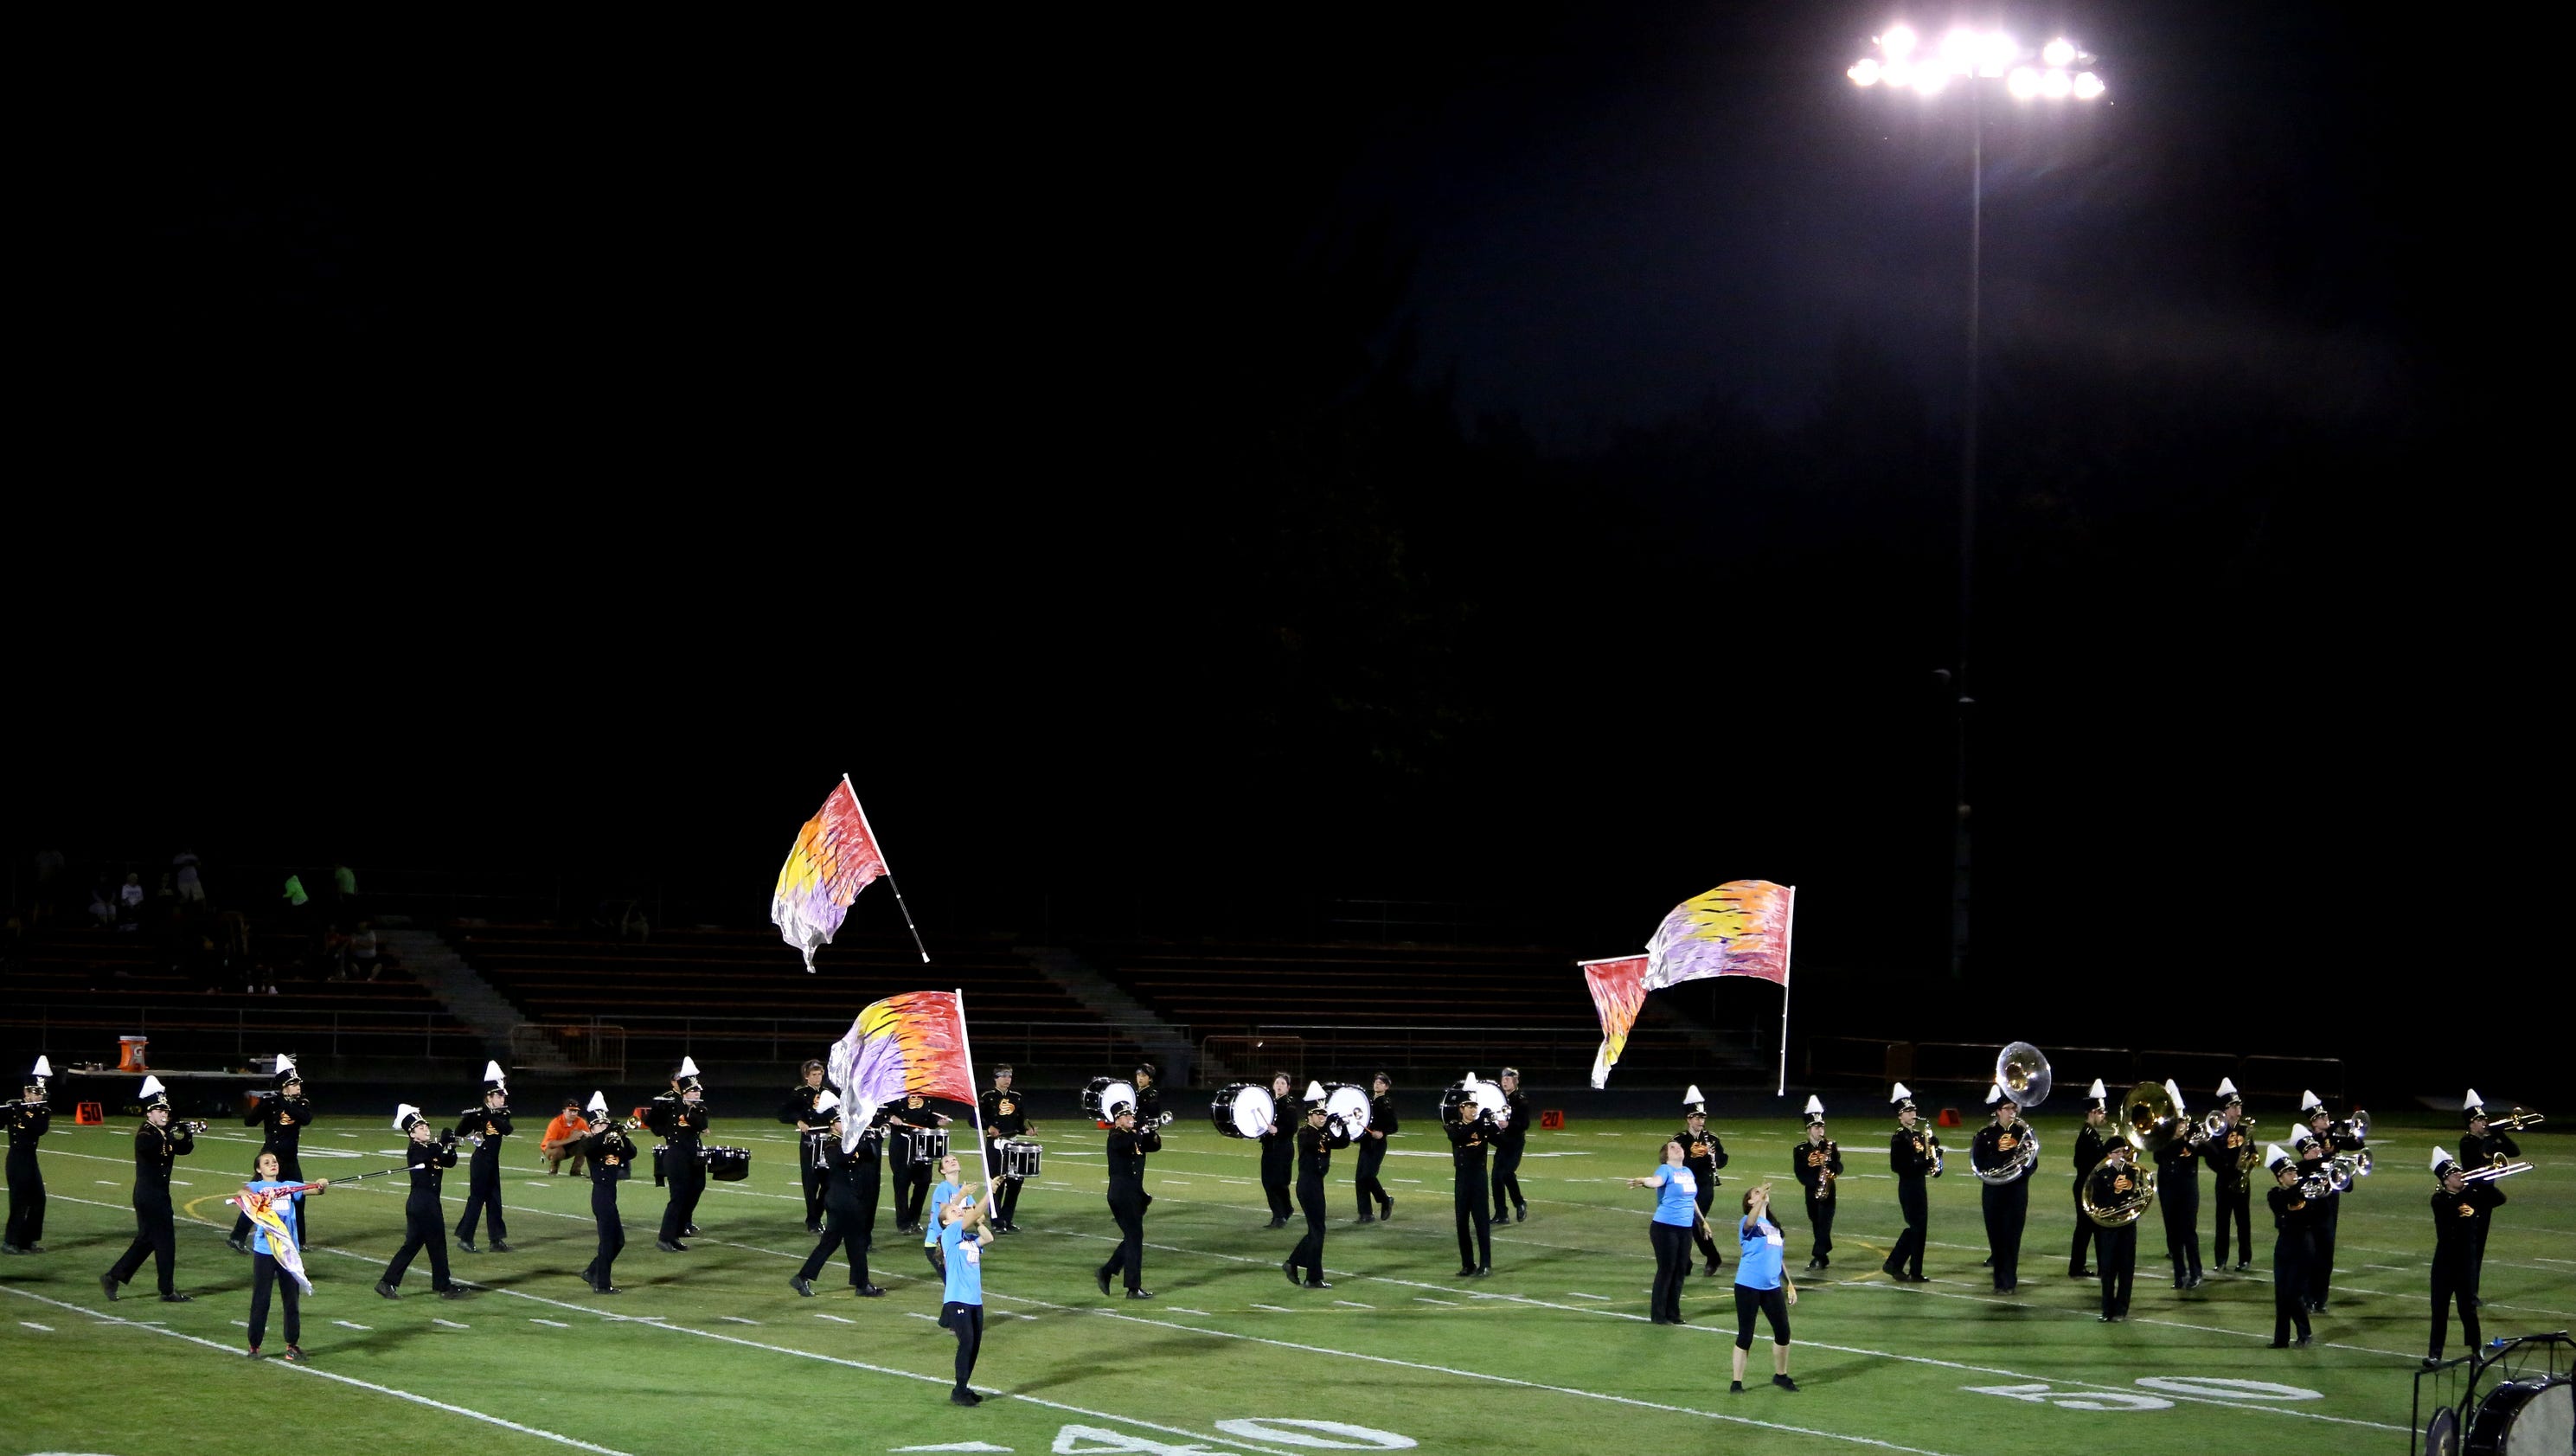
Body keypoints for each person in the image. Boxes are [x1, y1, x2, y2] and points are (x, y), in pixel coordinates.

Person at [102, 1079, 194, 1301]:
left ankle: (114, 1276)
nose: (164, 1114)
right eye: (160, 1110)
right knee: (165, 1243)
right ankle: (167, 1290)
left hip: (156, 1195)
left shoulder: (161, 1132)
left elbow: (184, 1149)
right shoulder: (146, 1133)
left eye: (166, 1110)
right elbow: (153, 1149)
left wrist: (188, 1133)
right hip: (150, 1196)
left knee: (147, 1240)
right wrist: (171, 1132)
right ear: (149, 1113)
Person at [791, 1093, 887, 1299]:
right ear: (834, 1125)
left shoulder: (851, 1141)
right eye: (842, 1121)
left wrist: (865, 1137)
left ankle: (859, 1284)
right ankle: (860, 1284)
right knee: (848, 1241)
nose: (847, 1124)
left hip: (851, 1199)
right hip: (841, 1200)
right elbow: (842, 1160)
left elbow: (871, 1156)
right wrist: (857, 1142)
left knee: (847, 1241)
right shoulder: (832, 1143)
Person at [241, 1150, 325, 1361]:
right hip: (265, 1250)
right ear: (259, 1169)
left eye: (275, 1161)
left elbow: (313, 1191)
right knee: (261, 1299)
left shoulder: (287, 1186)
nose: (272, 1164)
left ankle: (292, 1345)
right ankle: (254, 1345)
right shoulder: (256, 1187)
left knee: (291, 1300)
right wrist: (265, 1196)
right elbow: (243, 1195)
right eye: (267, 1162)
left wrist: (321, 1185)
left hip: (288, 1251)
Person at [228, 1056, 316, 1254]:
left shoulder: (301, 1103)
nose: (298, 1087)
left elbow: (306, 1118)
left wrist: (282, 1102)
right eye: (294, 1084)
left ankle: (299, 1241)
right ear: (285, 1086)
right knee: (256, 1197)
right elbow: (249, 1122)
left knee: (299, 1198)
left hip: (290, 1159)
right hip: (270, 1159)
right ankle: (237, 1236)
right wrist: (261, 1105)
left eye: (298, 1084)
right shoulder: (270, 1102)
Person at [376, 1106, 465, 1300]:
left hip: (427, 1203)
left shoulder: (430, 1149)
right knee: (437, 1245)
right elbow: (426, 1157)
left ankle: (387, 1282)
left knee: (413, 1245)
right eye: (421, 1127)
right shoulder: (415, 1150)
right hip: (423, 1203)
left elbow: (449, 1161)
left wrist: (450, 1146)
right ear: (412, 1133)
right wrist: (441, 1142)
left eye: (426, 1126)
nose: (426, 1129)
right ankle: (444, 1286)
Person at [2425, 1148, 2502, 1367]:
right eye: (2455, 1174)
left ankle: (2476, 1350)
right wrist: (2473, 1190)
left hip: (2465, 1263)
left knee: (2467, 1310)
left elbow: (2499, 1199)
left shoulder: (2473, 1194)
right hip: (2444, 1262)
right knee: (2439, 1309)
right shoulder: (2439, 1199)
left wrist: (2487, 1181)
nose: (2461, 1175)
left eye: (2461, 1172)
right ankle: (2435, 1354)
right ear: (2446, 1180)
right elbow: (2453, 1211)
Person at [2291, 1091, 2365, 1312]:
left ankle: (2320, 1298)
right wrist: (2323, 1158)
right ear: (2314, 1122)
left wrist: (2339, 1130)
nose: (2327, 1119)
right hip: (2310, 1204)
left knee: (2326, 1252)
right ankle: (2306, 1295)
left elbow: (2358, 1143)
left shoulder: (2333, 1134)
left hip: (2330, 1199)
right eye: (2322, 1117)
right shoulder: (2307, 1142)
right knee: (2309, 1253)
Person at [1730, 1184, 1799, 1393]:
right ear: (1750, 1202)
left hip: (1771, 1287)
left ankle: (1781, 1375)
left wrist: (1790, 1284)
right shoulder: (1748, 1221)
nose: (1762, 1194)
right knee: (1746, 1335)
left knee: (1783, 1332)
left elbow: (1778, 1258)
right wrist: (1760, 1202)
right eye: (1756, 1193)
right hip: (1747, 1285)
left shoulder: (1774, 1226)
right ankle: (1737, 1382)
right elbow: (1751, 1221)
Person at [1629, 1139, 1702, 1324]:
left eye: (1679, 1146)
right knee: (1667, 1269)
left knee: (1680, 1270)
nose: (1678, 1148)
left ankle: (1673, 1313)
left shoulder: (1687, 1171)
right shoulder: (1665, 1169)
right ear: (1666, 1155)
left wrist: (1703, 1221)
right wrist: (1644, 1181)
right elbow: (1656, 1182)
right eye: (1672, 1147)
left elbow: (1691, 1198)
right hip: (1665, 1227)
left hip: (1685, 1228)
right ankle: (1659, 1314)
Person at [2457, 1091, 2521, 1305]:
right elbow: (2475, 1162)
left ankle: (2472, 1293)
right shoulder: (2467, 1142)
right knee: (2470, 1249)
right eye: (2479, 1120)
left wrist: (2501, 1133)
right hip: (2472, 1200)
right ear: (2471, 1124)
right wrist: (2491, 1138)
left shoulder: (2489, 1141)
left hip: (2486, 1200)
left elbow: (2514, 1151)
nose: (2484, 1122)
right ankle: (2466, 1293)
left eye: (2484, 1119)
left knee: (2479, 1249)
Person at [1094, 1100, 1160, 1299]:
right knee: (1134, 1238)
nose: (1130, 1118)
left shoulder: (1134, 1135)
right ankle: (1132, 1287)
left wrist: (1150, 1131)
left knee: (1133, 1237)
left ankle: (1108, 1271)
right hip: (1122, 1194)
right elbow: (1125, 1144)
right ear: (1117, 1120)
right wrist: (1138, 1129)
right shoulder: (1115, 1136)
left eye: (1131, 1115)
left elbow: (1154, 1146)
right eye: (1126, 1116)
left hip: (1133, 1193)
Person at [1284, 1098, 1352, 1289]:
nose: (1322, 1117)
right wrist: (1329, 1126)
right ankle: (1309, 1275)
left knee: (1317, 1231)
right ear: (1309, 1116)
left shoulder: (1322, 1133)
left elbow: (1342, 1142)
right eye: (1319, 1114)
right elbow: (1314, 1144)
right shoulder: (1305, 1133)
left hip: (1316, 1184)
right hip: (1308, 1185)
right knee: (1317, 1231)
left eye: (1324, 1114)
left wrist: (1343, 1126)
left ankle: (1301, 1268)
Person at [1971, 1085, 2033, 1293]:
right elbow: (1979, 1162)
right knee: (1996, 1237)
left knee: (2012, 1237)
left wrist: (2022, 1170)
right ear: (1998, 1111)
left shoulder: (2023, 1132)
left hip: (2016, 1191)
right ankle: (1999, 1280)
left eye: (2013, 1108)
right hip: (1993, 1191)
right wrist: (2004, 1162)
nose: (2012, 1112)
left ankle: (2010, 1280)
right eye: (2007, 1108)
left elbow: (2033, 1161)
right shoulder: (1985, 1134)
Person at [939, 1181, 995, 1406]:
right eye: (954, 1211)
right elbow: (974, 1213)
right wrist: (989, 1193)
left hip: (974, 1300)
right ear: (946, 1221)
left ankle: (963, 1387)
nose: (959, 1210)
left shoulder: (968, 1240)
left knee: (974, 1345)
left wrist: (980, 1223)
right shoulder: (949, 1235)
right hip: (957, 1298)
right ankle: (959, 1390)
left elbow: (988, 1238)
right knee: (967, 1342)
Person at [578, 1093, 638, 1293]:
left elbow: (631, 1153)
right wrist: (608, 1131)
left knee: (618, 1241)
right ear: (592, 1128)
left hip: (610, 1197)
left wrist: (623, 1136)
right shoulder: (590, 1143)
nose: (603, 1128)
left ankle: (592, 1271)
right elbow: (593, 1149)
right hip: (601, 1197)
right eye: (599, 1126)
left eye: (605, 1124)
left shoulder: (612, 1143)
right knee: (607, 1242)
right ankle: (602, 1284)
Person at [454, 1062, 514, 1254]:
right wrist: (471, 1119)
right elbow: (460, 1132)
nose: (503, 1098)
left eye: (503, 1095)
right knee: (477, 1199)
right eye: (500, 1095)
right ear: (489, 1096)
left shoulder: (502, 1113)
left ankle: (496, 1240)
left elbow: (507, 1129)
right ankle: (465, 1238)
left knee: (495, 1200)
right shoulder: (478, 1113)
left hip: (492, 1161)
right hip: (480, 1161)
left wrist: (488, 1116)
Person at [650, 1073, 711, 1252]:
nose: (697, 1094)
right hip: (676, 1156)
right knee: (677, 1198)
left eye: (698, 1091)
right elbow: (653, 1123)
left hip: (693, 1155)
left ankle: (675, 1234)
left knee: (692, 1192)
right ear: (684, 1093)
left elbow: (700, 1124)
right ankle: (664, 1237)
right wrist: (660, 1113)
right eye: (693, 1091)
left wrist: (691, 1108)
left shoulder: (699, 1109)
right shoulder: (671, 1107)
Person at [2152, 1081, 2204, 1290]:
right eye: (2176, 1121)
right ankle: (2179, 1274)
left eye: (2182, 1121)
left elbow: (2202, 1155)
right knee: (2172, 1234)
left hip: (2188, 1192)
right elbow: (2158, 1156)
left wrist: (2193, 1141)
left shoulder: (2191, 1141)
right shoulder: (2163, 1141)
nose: (2180, 1125)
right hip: (2167, 1190)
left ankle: (2196, 1272)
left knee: (2188, 1232)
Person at [1881, 1083, 1935, 1282]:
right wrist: (1922, 1162)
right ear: (1900, 1116)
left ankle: (1910, 1269)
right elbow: (1898, 1165)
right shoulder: (1899, 1138)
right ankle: (1898, 1264)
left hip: (1920, 1185)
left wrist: (1934, 1154)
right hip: (1908, 1186)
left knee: (1921, 1228)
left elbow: (1925, 1159)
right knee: (1916, 1228)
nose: (1913, 1114)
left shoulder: (1919, 1135)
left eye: (1913, 1110)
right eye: (1908, 1111)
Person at [2264, 1146, 2316, 1347]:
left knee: (2293, 1293)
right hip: (2284, 1245)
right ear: (2280, 1178)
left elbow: (2313, 1215)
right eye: (2289, 1172)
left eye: (2295, 1171)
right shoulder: (2275, 1194)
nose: (2294, 1174)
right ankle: (2281, 1339)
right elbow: (2283, 1207)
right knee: (2281, 1293)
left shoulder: (2307, 1191)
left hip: (2304, 1245)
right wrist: (2301, 1186)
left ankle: (2306, 1333)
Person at [1676, 1087, 1728, 1275]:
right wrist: (1703, 1156)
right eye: (1697, 1118)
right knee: (1686, 1224)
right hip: (1685, 1186)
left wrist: (1714, 1157)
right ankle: (1709, 1258)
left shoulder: (1711, 1138)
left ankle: (1696, 1261)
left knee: (1694, 1223)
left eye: (1702, 1118)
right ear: (1688, 1119)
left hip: (1705, 1186)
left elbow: (1723, 1160)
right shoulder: (1680, 1140)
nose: (1701, 1121)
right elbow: (1679, 1163)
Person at [4, 1058, 54, 1254]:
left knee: (38, 1200)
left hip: (30, 1160)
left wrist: (22, 1111)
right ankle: (10, 1241)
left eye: (41, 1092)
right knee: (19, 1201)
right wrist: (13, 1109)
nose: (39, 1096)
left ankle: (28, 1240)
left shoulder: (42, 1110)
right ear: (26, 1092)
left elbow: (39, 1129)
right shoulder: (13, 1109)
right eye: (36, 1092)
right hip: (16, 1159)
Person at [2087, 1142, 2142, 1321]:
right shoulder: (2101, 1174)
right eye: (2116, 1152)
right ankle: (2106, 1309)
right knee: (2108, 1269)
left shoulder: (2133, 1172)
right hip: (2109, 1226)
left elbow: (2139, 1196)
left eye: (2122, 1152)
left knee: (2126, 1269)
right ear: (2109, 1155)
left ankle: (2121, 1310)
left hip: (2127, 1226)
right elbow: (2096, 1201)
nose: (2121, 1155)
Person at [1446, 1090, 1497, 1277]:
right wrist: (1479, 1122)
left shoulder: (1482, 1126)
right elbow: (1459, 1137)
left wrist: (1494, 1125)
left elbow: (1501, 1142)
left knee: (1481, 1221)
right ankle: (1468, 1264)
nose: (1473, 1110)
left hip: (1479, 1179)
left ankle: (1486, 1264)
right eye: (1470, 1106)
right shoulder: (1453, 1126)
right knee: (1462, 1222)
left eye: (1475, 1106)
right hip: (1462, 1179)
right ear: (1461, 1109)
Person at [978, 1063, 1035, 1234]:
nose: (1007, 1079)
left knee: (1016, 1182)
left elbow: (1020, 1121)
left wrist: (1027, 1130)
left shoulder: (1016, 1097)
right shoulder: (987, 1096)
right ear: (995, 1078)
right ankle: (997, 1221)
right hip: (996, 1145)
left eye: (1009, 1076)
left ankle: (1007, 1219)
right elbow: (974, 1119)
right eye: (1003, 1076)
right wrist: (988, 1127)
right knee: (997, 1182)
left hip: (1013, 1144)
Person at [886, 1093, 951, 1235]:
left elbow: (927, 1119)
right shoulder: (895, 1091)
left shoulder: (926, 1095)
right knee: (902, 1183)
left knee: (924, 1181)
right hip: (902, 1143)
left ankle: (914, 1220)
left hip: (922, 1143)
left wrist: (937, 1121)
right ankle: (903, 1223)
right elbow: (883, 1110)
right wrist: (891, 1117)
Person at [2208, 1081, 2256, 1273]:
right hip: (2224, 1181)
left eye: (2239, 1105)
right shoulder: (2217, 1130)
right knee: (2222, 1222)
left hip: (2243, 1183)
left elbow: (2252, 1152)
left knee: (2243, 1222)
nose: (2238, 1109)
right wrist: (2227, 1169)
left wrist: (2249, 1164)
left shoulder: (2245, 1129)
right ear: (2225, 1110)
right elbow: (2211, 1158)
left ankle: (2245, 1258)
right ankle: (2221, 1259)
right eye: (2234, 1106)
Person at [781, 1060, 833, 1234]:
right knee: (811, 1183)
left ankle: (816, 1216)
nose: (818, 1078)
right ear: (806, 1076)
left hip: (828, 1141)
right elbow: (783, 1113)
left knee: (829, 1182)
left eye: (819, 1074)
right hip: (810, 1142)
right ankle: (813, 1221)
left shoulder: (829, 1093)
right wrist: (799, 1121)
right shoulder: (800, 1093)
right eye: (814, 1075)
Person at [1791, 1099, 1840, 1271]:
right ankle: (1824, 1252)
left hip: (1828, 1191)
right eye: (1817, 1127)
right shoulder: (1800, 1149)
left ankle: (1818, 1257)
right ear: (1808, 1129)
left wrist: (1830, 1164)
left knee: (1824, 1223)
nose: (1820, 1130)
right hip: (1811, 1191)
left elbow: (1839, 1167)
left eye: (1822, 1127)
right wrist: (1814, 1184)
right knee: (1817, 1223)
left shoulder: (1830, 1147)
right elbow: (1800, 1172)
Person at [2067, 1081, 2111, 1278]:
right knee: (2092, 1229)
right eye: (2101, 1112)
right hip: (2087, 1188)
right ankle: (2099, 1268)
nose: (2104, 1116)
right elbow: (2083, 1163)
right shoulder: (2087, 1136)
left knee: (2085, 1229)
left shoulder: (2091, 1135)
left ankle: (2077, 1267)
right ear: (2092, 1112)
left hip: (2087, 1186)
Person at [1355, 1072, 1397, 1222]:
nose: (1377, 1084)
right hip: (1366, 1143)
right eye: (1376, 1082)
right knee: (1360, 1178)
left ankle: (1385, 1200)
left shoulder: (1385, 1102)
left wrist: (1382, 1132)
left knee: (1368, 1175)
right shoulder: (1368, 1101)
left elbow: (1394, 1126)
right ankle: (1365, 1214)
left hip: (1377, 1144)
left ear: (1386, 1087)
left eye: (1381, 1083)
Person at [1490, 1068, 1532, 1223]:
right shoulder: (1499, 1098)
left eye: (1508, 1079)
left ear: (1515, 1081)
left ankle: (1519, 1203)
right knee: (1496, 1178)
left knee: (1506, 1173)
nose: (1505, 1082)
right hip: (1502, 1141)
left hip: (1514, 1143)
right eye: (1503, 1079)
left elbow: (1525, 1124)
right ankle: (1501, 1214)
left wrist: (1509, 1124)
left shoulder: (1520, 1099)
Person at [1257, 1071, 1297, 1228]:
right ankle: (1285, 1210)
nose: (1279, 1086)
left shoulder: (1289, 1105)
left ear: (1288, 1088)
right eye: (1277, 1083)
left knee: (1275, 1183)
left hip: (1282, 1148)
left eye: (1283, 1084)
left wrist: (1277, 1130)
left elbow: (1292, 1128)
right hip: (1271, 1148)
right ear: (1273, 1085)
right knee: (1273, 1183)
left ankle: (1279, 1216)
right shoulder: (1270, 1103)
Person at [924, 1153, 967, 1276]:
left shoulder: (962, 1189)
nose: (952, 1161)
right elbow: (945, 1213)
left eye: (954, 1159)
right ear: (942, 1170)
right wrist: (961, 1196)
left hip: (955, 1242)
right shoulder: (943, 1188)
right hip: (937, 1243)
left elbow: (978, 1215)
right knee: (952, 1283)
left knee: (957, 1283)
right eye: (947, 1161)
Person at [541, 1098, 592, 1177]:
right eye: (570, 1110)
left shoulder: (581, 1122)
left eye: (575, 1111)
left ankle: (576, 1170)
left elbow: (589, 1137)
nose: (573, 1114)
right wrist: (571, 1139)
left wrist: (587, 1135)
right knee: (558, 1151)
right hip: (551, 1149)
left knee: (586, 1142)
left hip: (569, 1148)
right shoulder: (556, 1123)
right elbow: (550, 1144)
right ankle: (554, 1168)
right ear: (564, 1111)